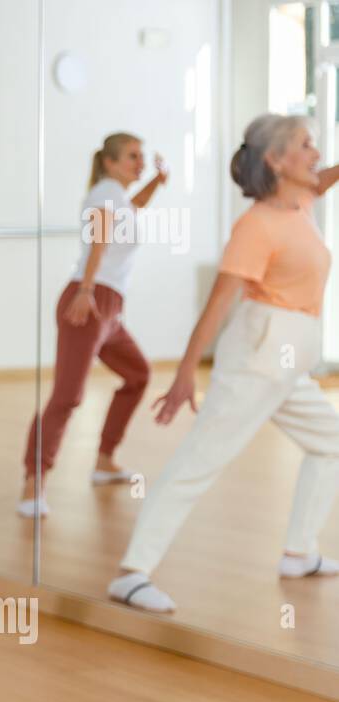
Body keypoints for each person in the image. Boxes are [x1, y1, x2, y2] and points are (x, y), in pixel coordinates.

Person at [109, 114, 339, 612]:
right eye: (306, 144)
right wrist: (185, 373)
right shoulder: (256, 225)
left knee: (332, 444)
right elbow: (217, 304)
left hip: (288, 358)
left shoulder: (301, 202)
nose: (316, 153)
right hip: (259, 353)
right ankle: (133, 573)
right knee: (201, 459)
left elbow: (324, 177)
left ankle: (299, 552)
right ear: (277, 160)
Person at [19, 132, 167, 518]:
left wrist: (156, 181)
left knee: (138, 374)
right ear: (110, 162)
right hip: (89, 301)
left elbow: (131, 209)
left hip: (109, 307)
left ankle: (104, 461)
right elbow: (100, 238)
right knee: (68, 396)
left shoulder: (117, 196)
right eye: (134, 157)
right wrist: (85, 290)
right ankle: (33, 482)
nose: (140, 162)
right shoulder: (104, 194)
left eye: (143, 156)